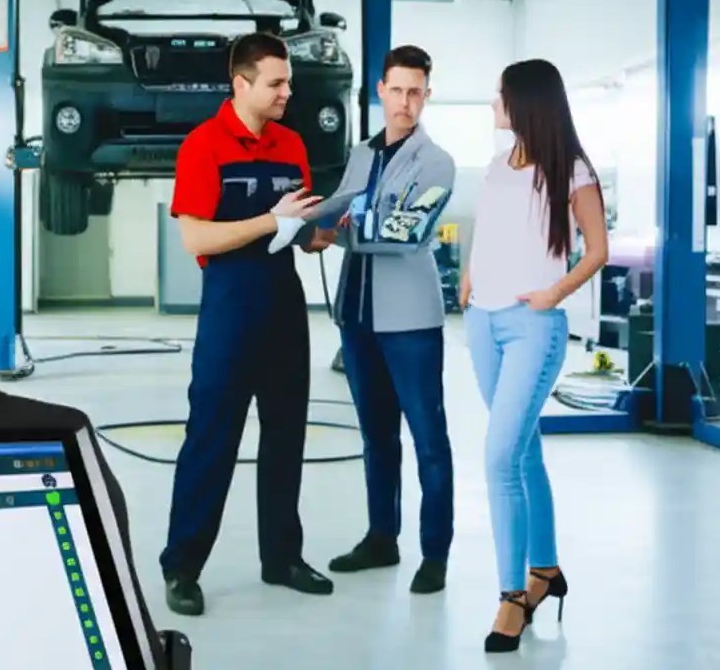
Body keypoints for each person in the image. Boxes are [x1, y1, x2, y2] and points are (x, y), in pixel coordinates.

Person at [158, 32, 337, 617]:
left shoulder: (291, 144)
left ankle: (282, 557)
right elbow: (195, 236)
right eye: (277, 83)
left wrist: (321, 231)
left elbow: (303, 233)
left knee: (286, 437)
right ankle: (182, 567)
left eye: (289, 81)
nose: (289, 91)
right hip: (231, 307)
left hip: (286, 303)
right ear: (242, 84)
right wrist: (269, 220)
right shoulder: (203, 146)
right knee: (212, 438)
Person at [460, 58, 609, 652]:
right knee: (522, 453)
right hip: (482, 323)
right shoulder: (498, 167)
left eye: (500, 95)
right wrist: (470, 275)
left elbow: (597, 249)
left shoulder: (571, 169)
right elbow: (491, 231)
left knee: (499, 458)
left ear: (525, 102)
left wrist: (554, 293)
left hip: (533, 326)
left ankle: (511, 600)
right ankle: (545, 570)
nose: (493, 104)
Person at [315, 45, 458, 594]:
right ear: (380, 90)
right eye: (396, 90)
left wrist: (335, 228)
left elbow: (407, 233)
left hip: (410, 323)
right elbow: (347, 210)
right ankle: (381, 538)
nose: (405, 102)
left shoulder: (436, 162)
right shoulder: (359, 154)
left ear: (427, 94)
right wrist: (326, 223)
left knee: (428, 438)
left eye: (415, 91)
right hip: (358, 316)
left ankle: (435, 553)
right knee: (377, 436)